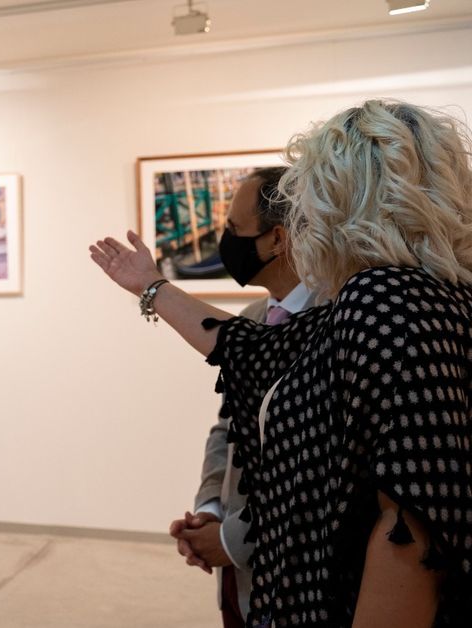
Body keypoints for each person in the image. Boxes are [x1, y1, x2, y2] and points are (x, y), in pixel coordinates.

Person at [90, 101, 472, 627]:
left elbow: (408, 526)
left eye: (310, 196)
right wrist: (153, 288)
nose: (302, 218)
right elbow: (252, 350)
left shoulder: (388, 299)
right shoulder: (407, 299)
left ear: (345, 201)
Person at [167, 167, 317, 628]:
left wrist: (232, 540)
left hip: (294, 578)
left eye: (233, 229)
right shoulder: (253, 317)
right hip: (239, 578)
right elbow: (226, 427)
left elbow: (310, 467)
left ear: (277, 239)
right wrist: (210, 508)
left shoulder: (331, 324)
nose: (225, 240)